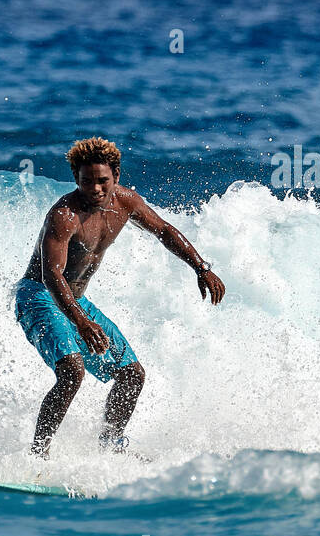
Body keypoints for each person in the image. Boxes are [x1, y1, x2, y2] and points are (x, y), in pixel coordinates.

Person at [16, 137, 225, 457]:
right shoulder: (64, 215)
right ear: (76, 179)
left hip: (77, 302)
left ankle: (110, 448)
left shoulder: (125, 203)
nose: (96, 189)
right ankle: (37, 455)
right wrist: (81, 322)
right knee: (72, 371)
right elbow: (52, 275)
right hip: (40, 296)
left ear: (116, 176)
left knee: (131, 374)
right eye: (87, 182)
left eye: (103, 181)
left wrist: (201, 267)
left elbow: (165, 231)